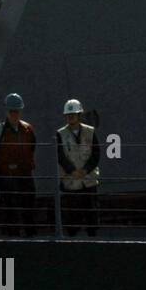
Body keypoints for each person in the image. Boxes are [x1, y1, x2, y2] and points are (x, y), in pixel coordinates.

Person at [0, 93, 37, 237]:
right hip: (6, 175)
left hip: (25, 174)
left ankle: (31, 235)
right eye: (12, 111)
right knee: (9, 206)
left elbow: (32, 146)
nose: (14, 114)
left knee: (29, 203)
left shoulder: (28, 129)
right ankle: (12, 236)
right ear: (7, 111)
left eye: (17, 111)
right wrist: (1, 167)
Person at [56, 99, 101, 236]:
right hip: (71, 181)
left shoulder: (90, 132)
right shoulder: (60, 134)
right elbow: (60, 155)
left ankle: (93, 238)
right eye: (68, 115)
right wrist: (72, 170)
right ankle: (72, 239)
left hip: (88, 180)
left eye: (73, 114)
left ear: (79, 115)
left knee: (91, 214)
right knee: (72, 215)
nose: (71, 117)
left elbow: (96, 153)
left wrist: (86, 169)